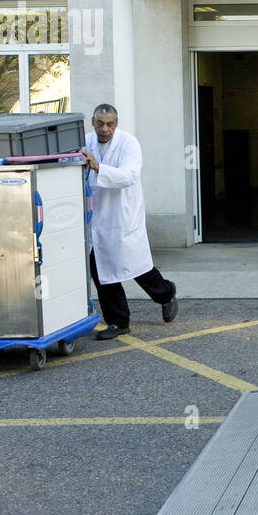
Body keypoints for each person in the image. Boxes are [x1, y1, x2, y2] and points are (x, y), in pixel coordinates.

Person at [81, 103, 178, 339]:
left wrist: (98, 167)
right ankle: (118, 322)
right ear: (93, 123)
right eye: (100, 124)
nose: (105, 129)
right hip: (96, 218)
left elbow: (129, 176)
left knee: (137, 267)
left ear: (117, 124)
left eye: (110, 124)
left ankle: (166, 293)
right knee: (101, 270)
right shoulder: (85, 142)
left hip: (122, 216)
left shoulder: (129, 143)